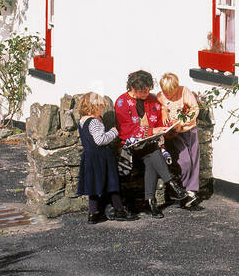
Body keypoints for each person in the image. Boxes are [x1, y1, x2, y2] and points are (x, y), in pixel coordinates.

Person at [115, 69, 189, 218]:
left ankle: (150, 202)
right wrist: (152, 132)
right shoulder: (122, 102)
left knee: (152, 156)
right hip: (130, 146)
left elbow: (161, 124)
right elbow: (126, 130)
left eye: (148, 90)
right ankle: (171, 184)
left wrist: (170, 127)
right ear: (133, 89)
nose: (147, 93)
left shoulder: (152, 100)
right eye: (143, 91)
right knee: (152, 151)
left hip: (149, 145)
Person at [77, 92, 134, 224]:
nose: (102, 110)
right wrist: (113, 132)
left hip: (89, 156)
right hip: (101, 157)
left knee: (93, 186)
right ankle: (119, 210)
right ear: (94, 107)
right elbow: (99, 140)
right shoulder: (94, 122)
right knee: (112, 184)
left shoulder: (82, 121)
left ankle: (93, 213)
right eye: (100, 107)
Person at [159, 72, 200, 206]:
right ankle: (183, 188)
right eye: (166, 92)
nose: (169, 95)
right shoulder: (160, 96)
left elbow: (194, 109)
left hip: (189, 130)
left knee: (194, 158)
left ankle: (192, 190)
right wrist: (163, 109)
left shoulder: (184, 91)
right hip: (175, 135)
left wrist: (182, 123)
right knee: (184, 161)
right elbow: (157, 108)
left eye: (171, 92)